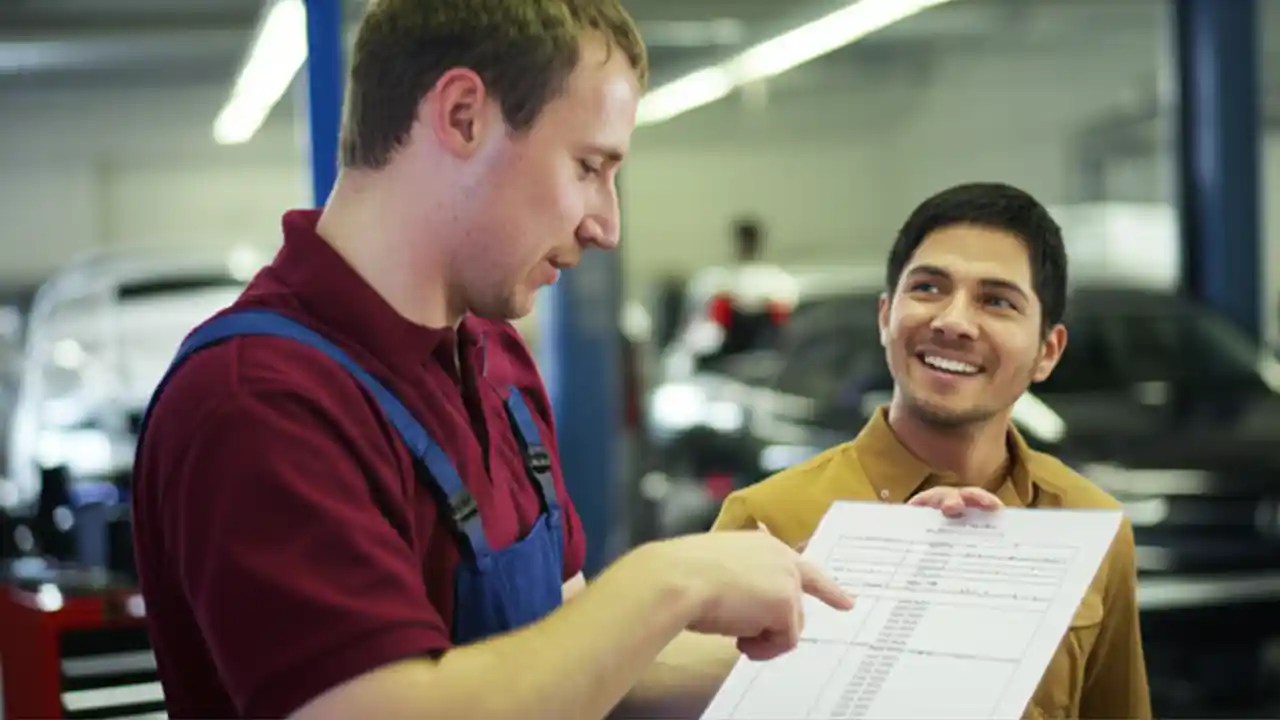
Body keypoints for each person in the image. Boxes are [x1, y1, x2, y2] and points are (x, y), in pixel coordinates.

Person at [130, 2, 858, 718]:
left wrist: (871, 638)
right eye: (588, 166)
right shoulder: (259, 400)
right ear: (462, 117)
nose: (606, 224)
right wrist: (669, 582)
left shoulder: (494, 363)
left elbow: (584, 670)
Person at [710, 182, 1153, 719]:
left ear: (1047, 351)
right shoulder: (765, 522)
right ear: (884, 316)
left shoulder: (1093, 527)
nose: (953, 321)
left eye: (997, 301)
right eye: (927, 288)